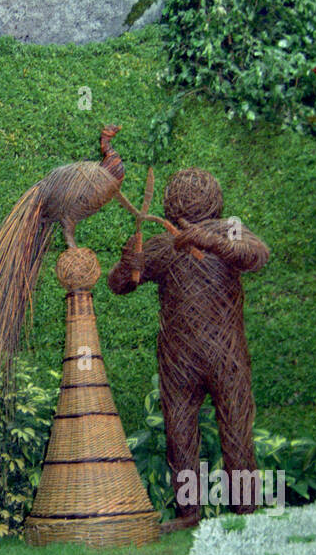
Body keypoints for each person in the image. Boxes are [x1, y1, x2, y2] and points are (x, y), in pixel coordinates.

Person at [107, 167, 269, 531]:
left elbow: (257, 254)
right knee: (179, 432)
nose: (186, 200)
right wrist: (126, 266)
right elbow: (119, 284)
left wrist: (211, 242)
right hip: (180, 359)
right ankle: (188, 513)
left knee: (237, 428)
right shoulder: (164, 244)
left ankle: (245, 509)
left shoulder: (228, 228)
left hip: (226, 354)